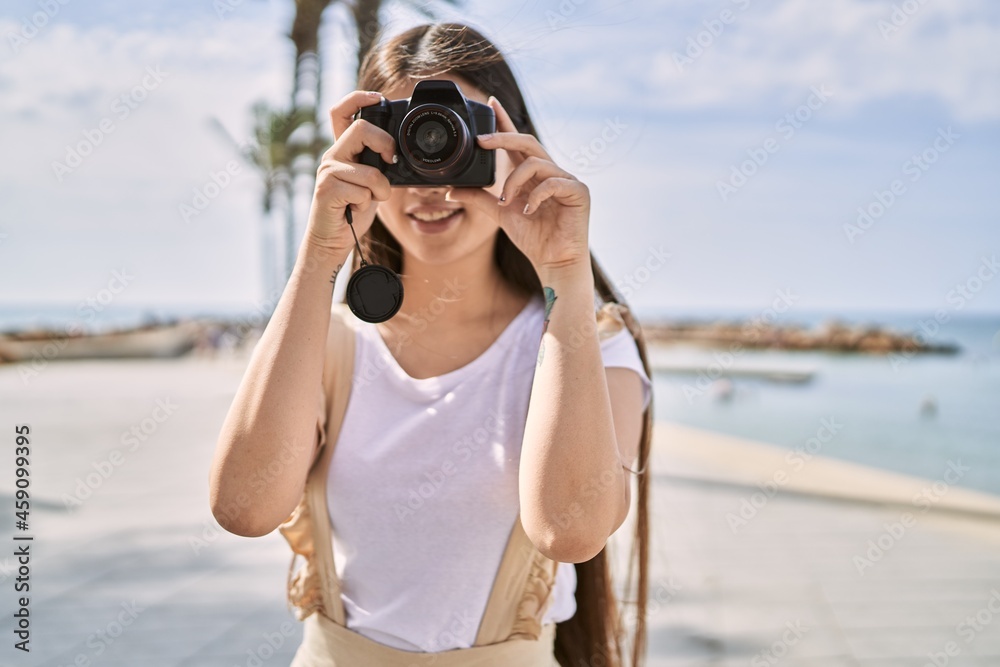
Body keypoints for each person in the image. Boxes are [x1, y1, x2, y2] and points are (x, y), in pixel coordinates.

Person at [210, 22, 655, 667]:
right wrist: (319, 257)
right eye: (404, 139)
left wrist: (565, 273)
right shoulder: (332, 344)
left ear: (512, 146)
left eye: (456, 136)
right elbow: (245, 508)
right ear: (358, 149)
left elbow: (571, 529)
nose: (431, 178)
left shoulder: (591, 343)